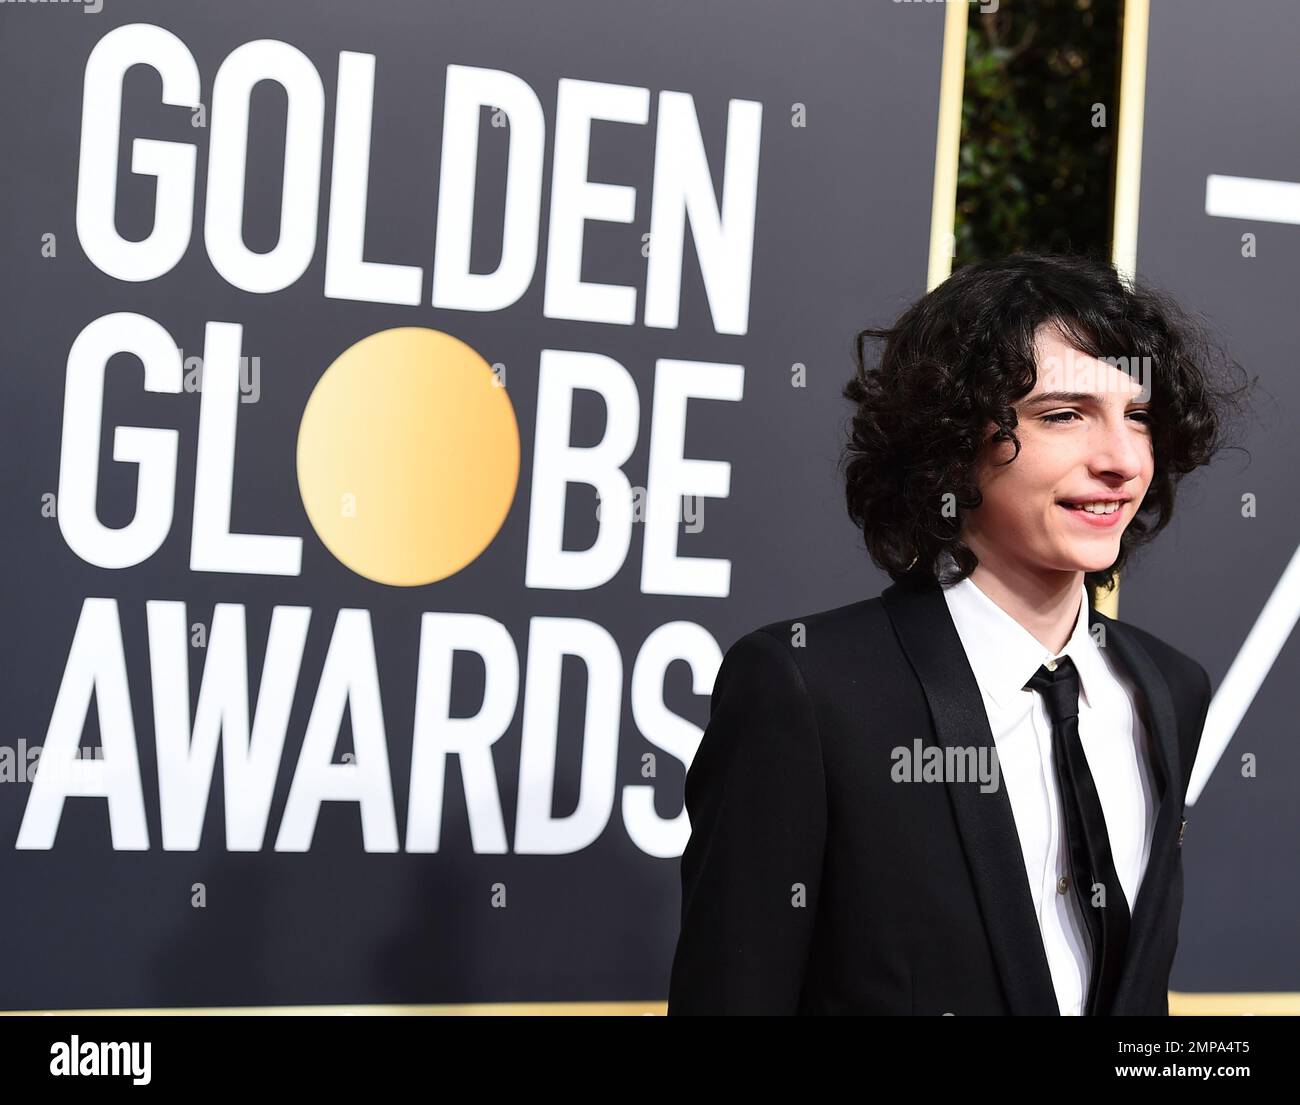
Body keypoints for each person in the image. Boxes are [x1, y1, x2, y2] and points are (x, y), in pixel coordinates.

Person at [667, 251, 1249, 1015]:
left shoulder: (1169, 689)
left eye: (1137, 416)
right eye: (1064, 415)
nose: (1119, 460)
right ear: (949, 439)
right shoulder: (808, 692)